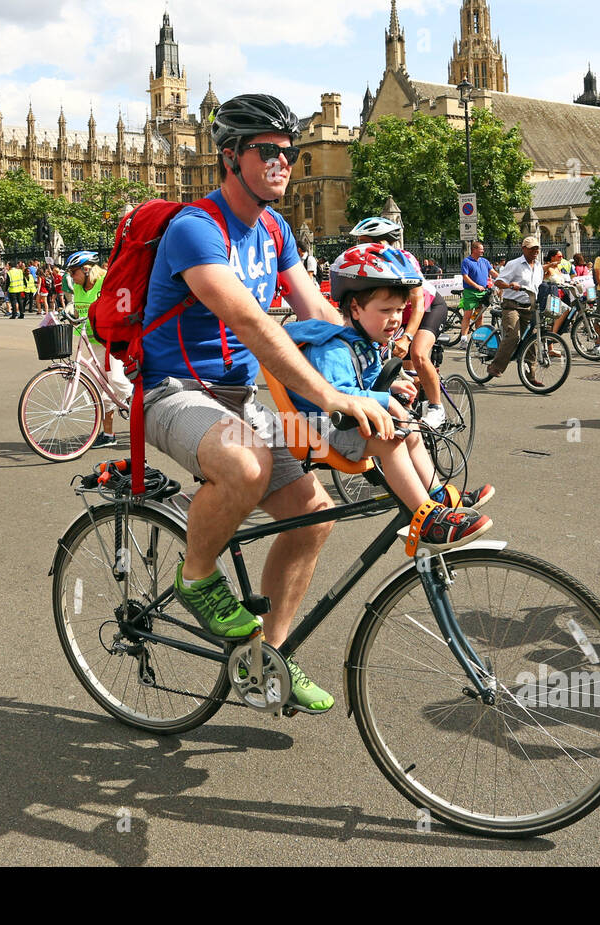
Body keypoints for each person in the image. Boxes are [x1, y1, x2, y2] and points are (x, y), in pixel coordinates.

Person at [140, 92, 391, 714]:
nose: (283, 161)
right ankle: (196, 574)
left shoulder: (274, 228)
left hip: (240, 395)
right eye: (268, 151)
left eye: (290, 151)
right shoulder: (195, 228)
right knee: (246, 465)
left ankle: (264, 662)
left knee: (315, 515)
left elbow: (320, 314)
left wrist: (377, 370)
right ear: (230, 156)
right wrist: (327, 394)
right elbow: (252, 323)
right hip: (173, 391)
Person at [282, 243, 494, 537]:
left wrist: (390, 385)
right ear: (355, 308)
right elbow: (336, 394)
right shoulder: (333, 348)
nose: (395, 319)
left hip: (344, 420)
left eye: (398, 309)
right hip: (317, 425)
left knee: (413, 428)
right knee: (391, 441)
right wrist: (387, 400)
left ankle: (438, 494)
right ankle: (429, 521)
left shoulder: (362, 343)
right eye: (386, 310)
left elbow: (362, 383)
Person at [348, 216, 448, 427]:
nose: (358, 247)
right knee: (396, 363)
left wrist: (407, 338)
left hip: (429, 308)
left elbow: (418, 304)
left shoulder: (404, 259)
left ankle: (437, 407)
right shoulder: (367, 263)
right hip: (399, 313)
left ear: (380, 242)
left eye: (362, 242)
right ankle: (409, 408)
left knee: (418, 353)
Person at [66, 251, 130, 448]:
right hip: (90, 343)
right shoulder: (77, 287)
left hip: (110, 341)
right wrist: (69, 312)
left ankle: (145, 411)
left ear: (87, 270)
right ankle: (108, 434)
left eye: (74, 272)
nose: (71, 276)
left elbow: (118, 308)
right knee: (103, 389)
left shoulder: (106, 283)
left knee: (118, 380)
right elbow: (78, 310)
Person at [490, 236, 545, 384]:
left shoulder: (539, 266)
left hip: (529, 306)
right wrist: (509, 286)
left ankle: (530, 376)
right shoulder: (514, 264)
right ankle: (496, 366)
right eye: (532, 248)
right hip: (512, 305)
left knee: (532, 339)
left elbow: (538, 286)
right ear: (523, 249)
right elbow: (498, 281)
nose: (535, 251)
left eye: (537, 248)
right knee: (513, 335)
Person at [457, 240, 496, 345]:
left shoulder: (484, 261)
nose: (483, 251)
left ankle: (479, 339)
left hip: (482, 293)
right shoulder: (467, 261)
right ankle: (463, 339)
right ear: (474, 249)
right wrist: (476, 286)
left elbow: (493, 272)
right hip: (470, 292)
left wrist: (504, 278)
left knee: (479, 316)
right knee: (467, 315)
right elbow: (465, 277)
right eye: (481, 249)